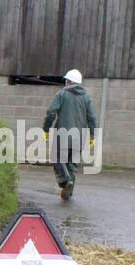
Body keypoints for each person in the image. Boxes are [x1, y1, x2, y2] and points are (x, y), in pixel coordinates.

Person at [42, 68, 98, 200]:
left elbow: (51, 112)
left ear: (68, 82)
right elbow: (92, 117)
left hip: (63, 133)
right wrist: (92, 135)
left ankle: (65, 181)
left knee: (57, 159)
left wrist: (46, 128)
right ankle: (69, 193)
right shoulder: (86, 97)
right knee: (72, 164)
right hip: (80, 136)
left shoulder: (62, 94)